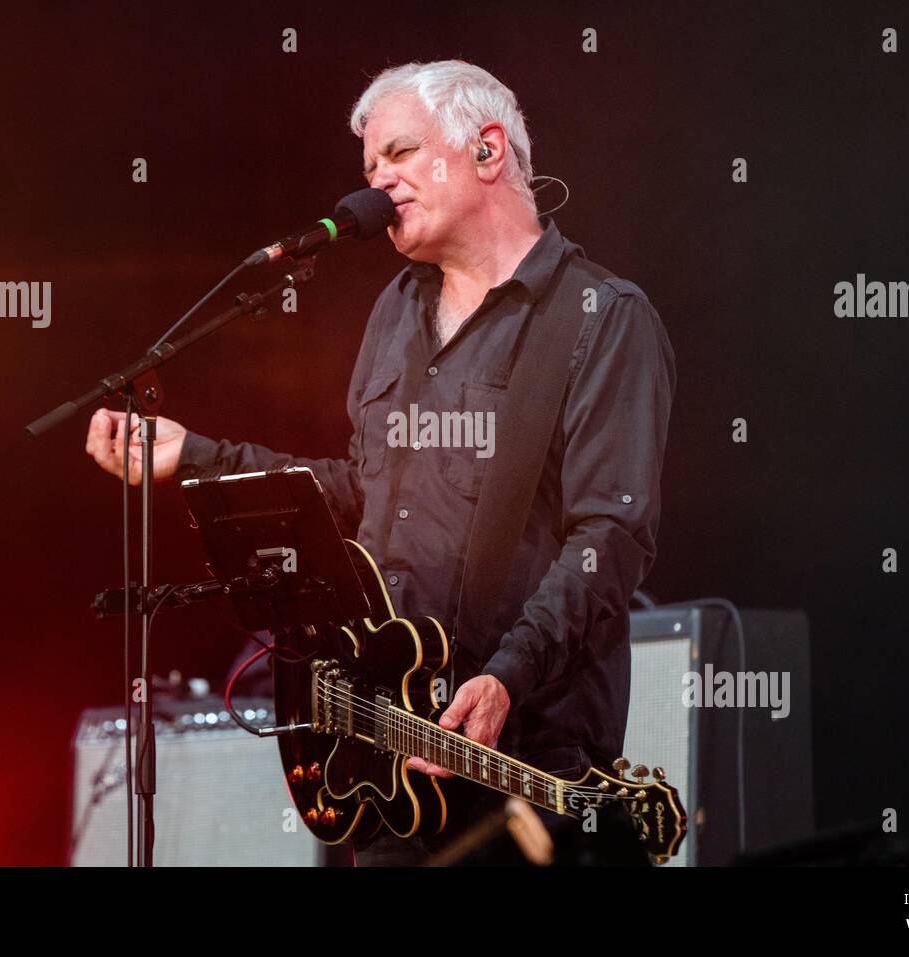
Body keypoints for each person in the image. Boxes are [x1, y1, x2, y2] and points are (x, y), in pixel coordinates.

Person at [84, 60, 675, 866]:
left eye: (398, 153)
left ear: (487, 151)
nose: (376, 182)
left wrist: (507, 673)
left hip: (528, 776)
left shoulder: (600, 318)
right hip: (389, 772)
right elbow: (365, 494)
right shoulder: (396, 311)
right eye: (368, 167)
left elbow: (612, 533)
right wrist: (200, 458)